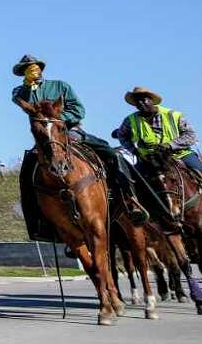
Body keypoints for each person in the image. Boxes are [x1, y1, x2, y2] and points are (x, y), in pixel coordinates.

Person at [10, 54, 147, 223]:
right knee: (27, 170)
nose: (33, 70)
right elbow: (17, 98)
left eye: (35, 67)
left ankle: (130, 200)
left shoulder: (60, 86)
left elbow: (79, 111)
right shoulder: (21, 91)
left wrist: (57, 121)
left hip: (69, 131)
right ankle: (37, 219)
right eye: (28, 69)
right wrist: (28, 87)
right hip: (44, 138)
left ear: (41, 69)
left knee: (113, 154)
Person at [115, 87, 202, 231]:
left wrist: (170, 145)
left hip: (180, 155)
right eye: (137, 102)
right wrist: (135, 151)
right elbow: (122, 135)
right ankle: (144, 218)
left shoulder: (173, 115)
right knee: (130, 183)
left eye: (144, 100)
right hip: (150, 160)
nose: (141, 104)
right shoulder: (130, 120)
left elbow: (191, 136)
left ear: (151, 100)